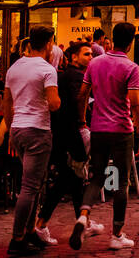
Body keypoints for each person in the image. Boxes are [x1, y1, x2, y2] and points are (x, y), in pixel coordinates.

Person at [72, 21, 139, 252]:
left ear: (112, 38)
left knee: (97, 177)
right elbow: (135, 103)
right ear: (131, 42)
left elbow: (82, 94)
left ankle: (84, 216)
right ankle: (117, 234)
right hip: (122, 130)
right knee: (122, 182)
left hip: (98, 129)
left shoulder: (95, 63)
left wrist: (82, 119)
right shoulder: (131, 67)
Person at [0, 25, 61, 257]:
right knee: (30, 186)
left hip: (18, 128)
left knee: (35, 184)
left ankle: (28, 231)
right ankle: (16, 239)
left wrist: (11, 126)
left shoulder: (15, 67)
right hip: (38, 129)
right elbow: (53, 103)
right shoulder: (47, 69)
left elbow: (6, 101)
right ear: (48, 43)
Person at [33, 41, 103, 245]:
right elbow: (78, 101)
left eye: (91, 54)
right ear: (73, 57)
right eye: (86, 54)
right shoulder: (75, 77)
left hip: (62, 134)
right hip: (70, 135)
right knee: (71, 177)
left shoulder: (66, 76)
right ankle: (41, 224)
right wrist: (83, 124)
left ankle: (81, 221)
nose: (90, 57)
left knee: (73, 180)